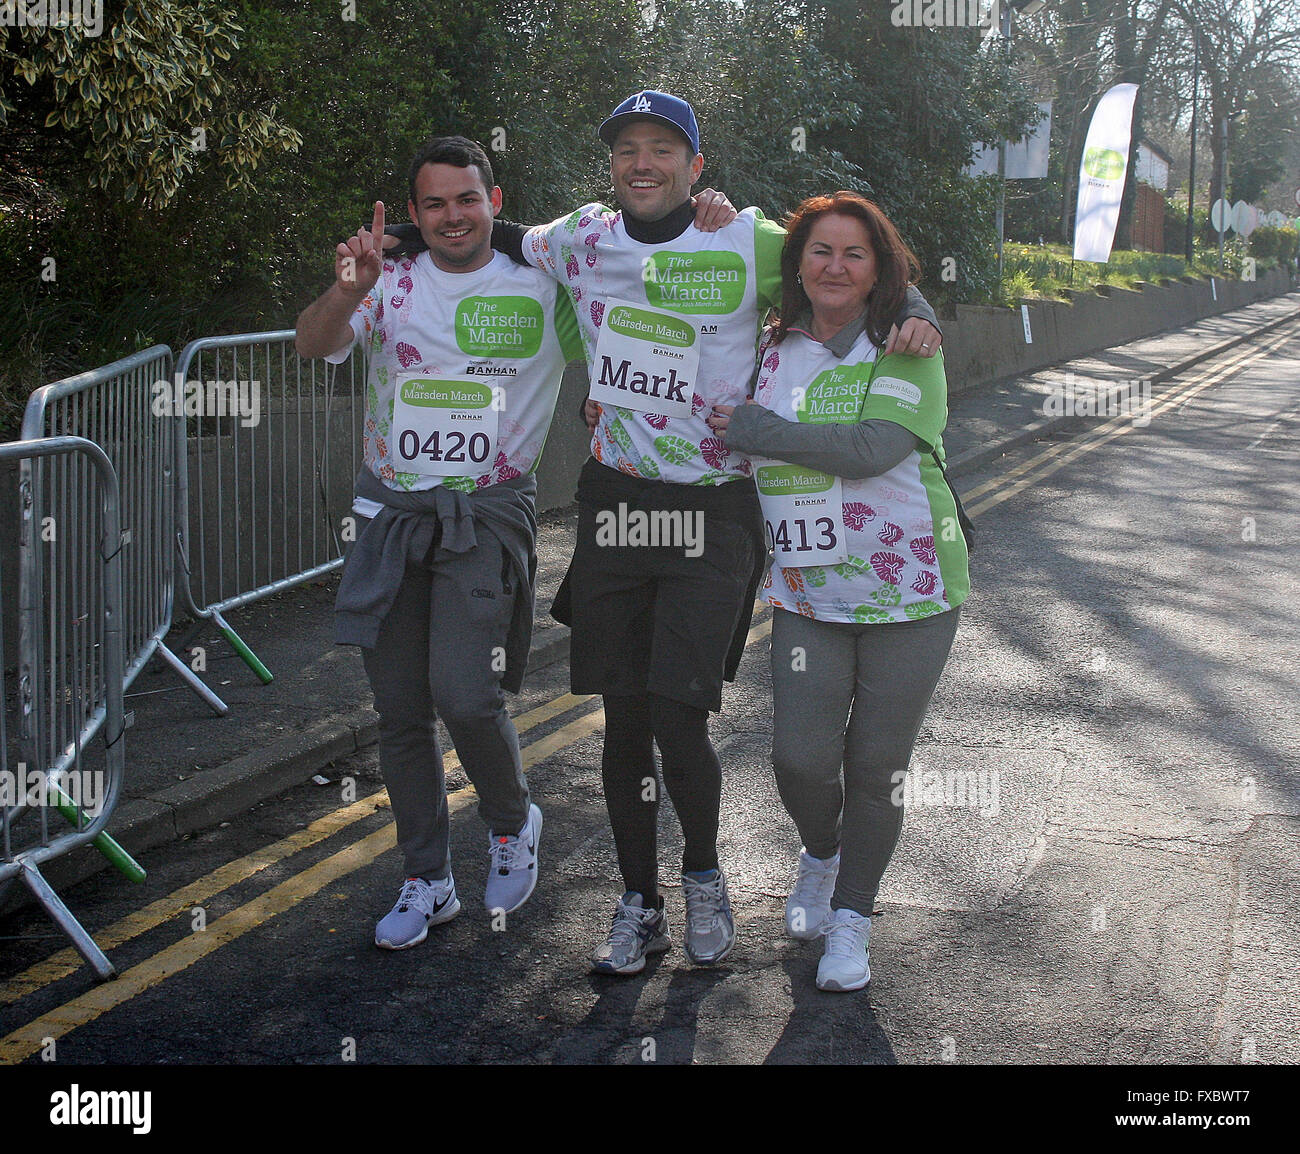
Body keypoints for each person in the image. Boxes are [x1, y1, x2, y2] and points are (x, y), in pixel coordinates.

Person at [385, 92, 943, 975]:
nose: (642, 163)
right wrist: (399, 242)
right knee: (621, 719)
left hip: (713, 508)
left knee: (681, 717)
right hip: (617, 498)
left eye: (661, 148)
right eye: (627, 149)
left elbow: (851, 265)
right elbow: (485, 231)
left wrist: (921, 310)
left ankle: (704, 878)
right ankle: (637, 902)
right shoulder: (581, 237)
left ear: (695, 163)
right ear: (613, 163)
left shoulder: (746, 239)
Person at [293, 136, 585, 949]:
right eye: (435, 204)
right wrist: (348, 289)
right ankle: (426, 879)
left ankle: (510, 818)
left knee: (465, 691)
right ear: (415, 213)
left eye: (467, 199)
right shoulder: (388, 282)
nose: (452, 216)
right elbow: (312, 345)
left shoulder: (545, 284)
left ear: (496, 199)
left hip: (485, 516)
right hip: (390, 515)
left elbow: (649, 317)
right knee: (399, 709)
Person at [708, 191, 969, 991]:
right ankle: (820, 855)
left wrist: (755, 428)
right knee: (799, 761)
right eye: (821, 250)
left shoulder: (907, 344)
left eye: (856, 254)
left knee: (878, 762)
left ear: (879, 269)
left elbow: (871, 449)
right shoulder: (772, 343)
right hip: (806, 591)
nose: (836, 266)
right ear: (798, 261)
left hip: (911, 590)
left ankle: (853, 919)